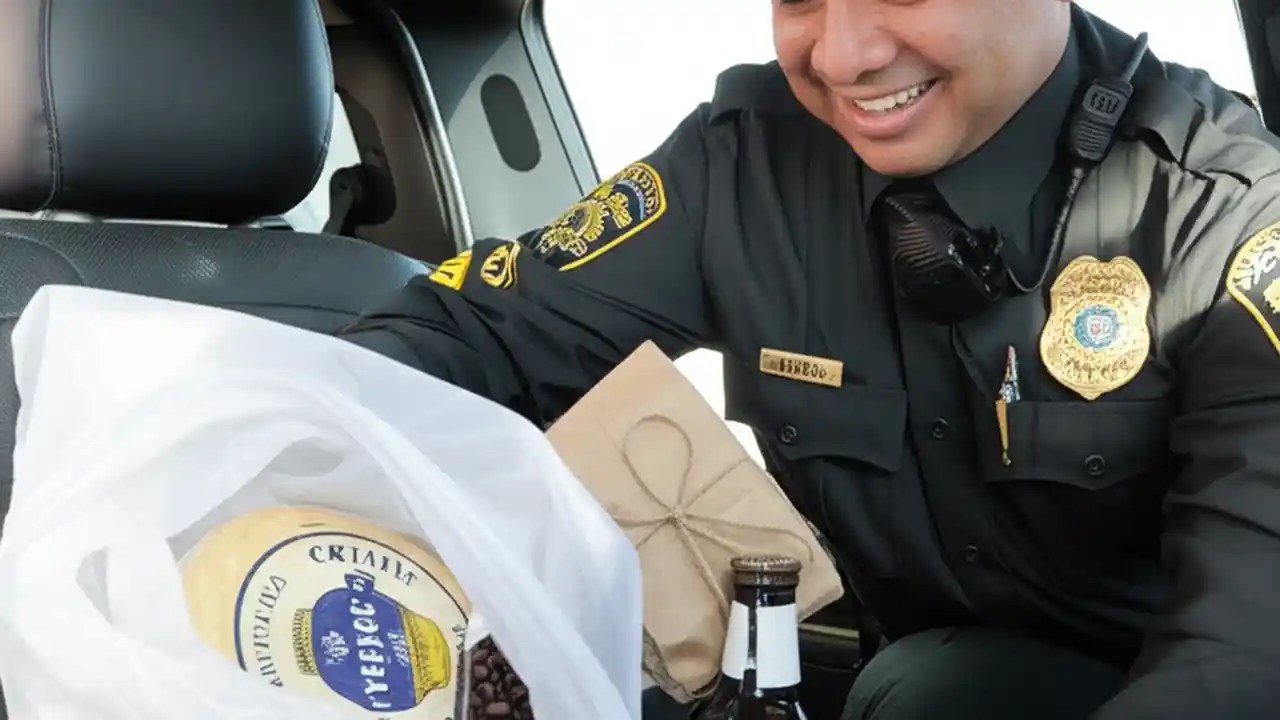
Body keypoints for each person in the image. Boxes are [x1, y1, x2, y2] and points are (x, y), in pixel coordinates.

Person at [339, 1, 1280, 718]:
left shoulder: (1231, 221)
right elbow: (475, 331)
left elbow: (1242, 660)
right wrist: (275, 435)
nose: (841, 55)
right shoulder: (740, 164)